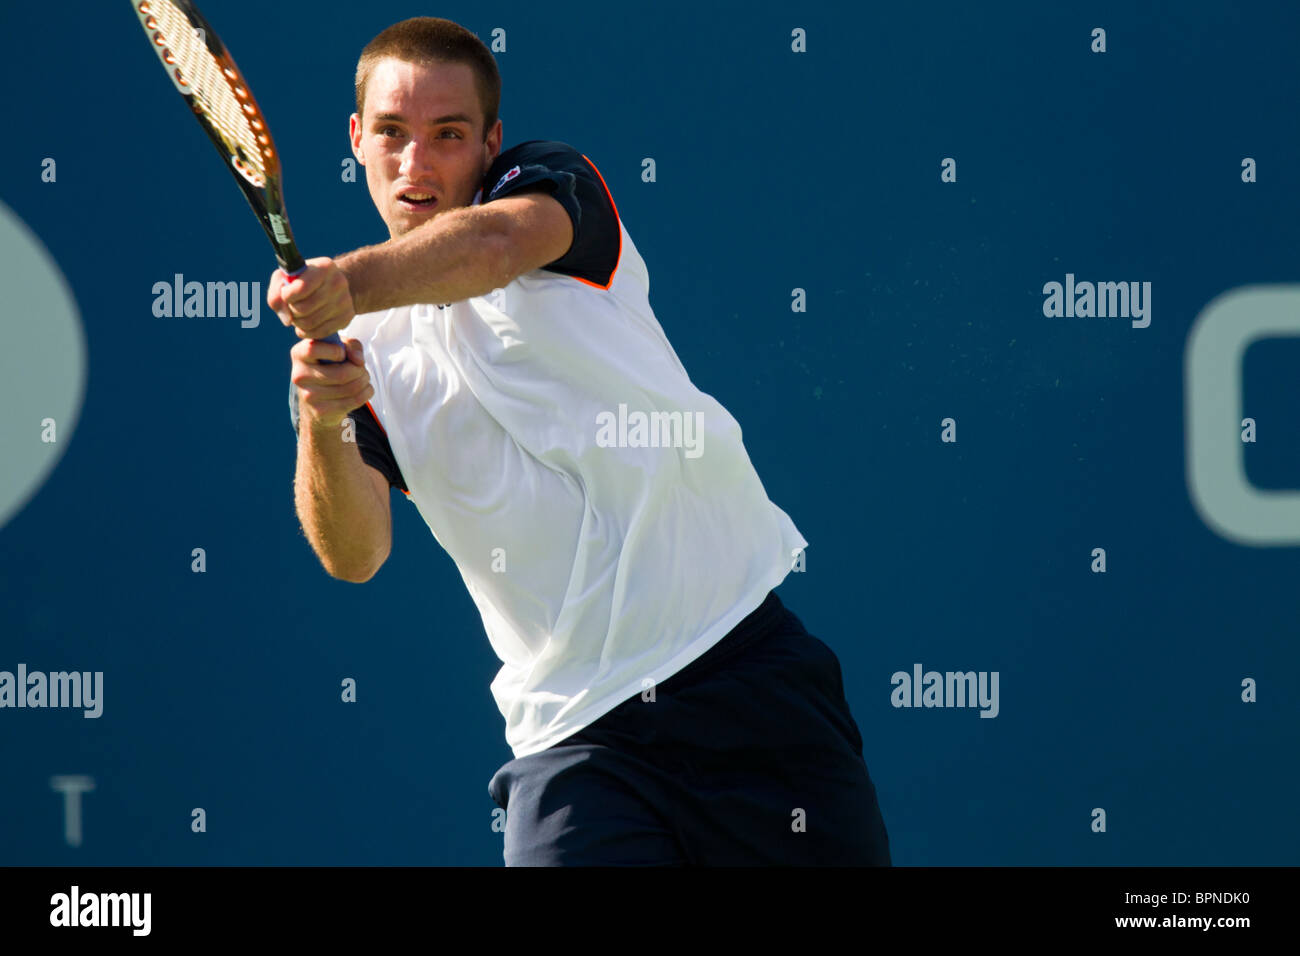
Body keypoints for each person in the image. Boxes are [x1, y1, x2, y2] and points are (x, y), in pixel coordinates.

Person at [270, 16, 890, 866]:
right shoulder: (357, 359)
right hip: (576, 746)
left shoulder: (551, 185)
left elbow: (496, 244)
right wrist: (323, 416)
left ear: (490, 142)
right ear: (356, 139)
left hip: (749, 678)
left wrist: (345, 283)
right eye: (392, 133)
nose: (416, 164)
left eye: (448, 135)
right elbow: (355, 552)